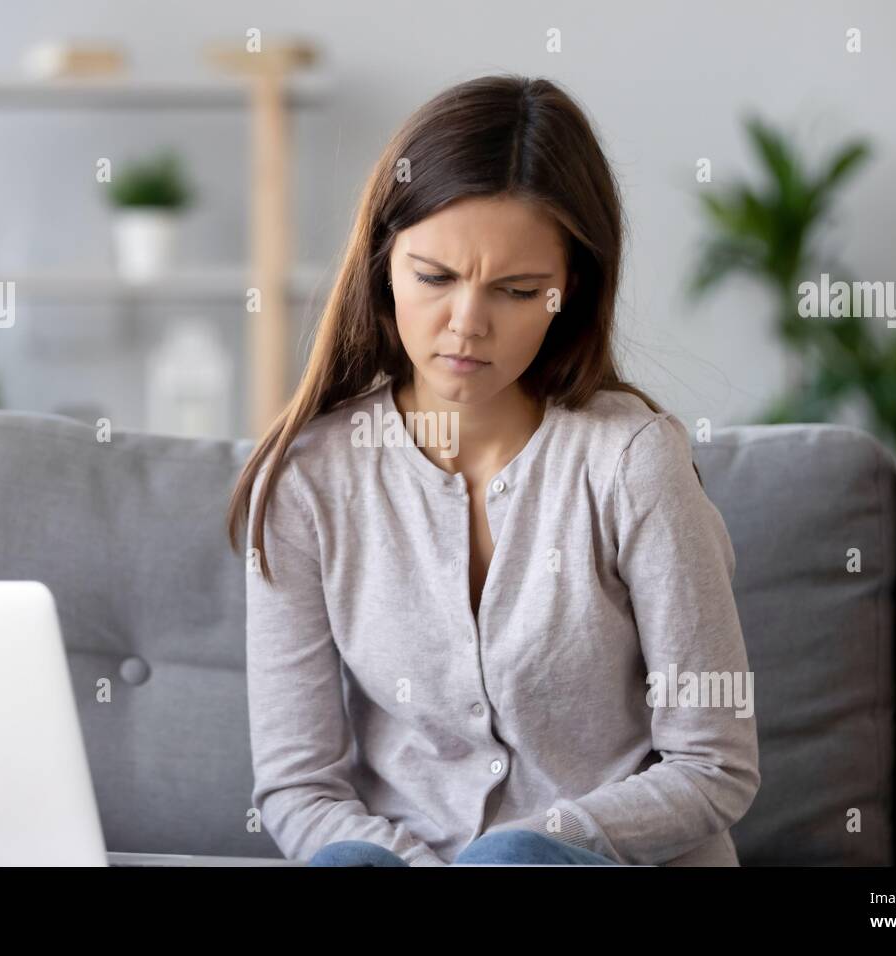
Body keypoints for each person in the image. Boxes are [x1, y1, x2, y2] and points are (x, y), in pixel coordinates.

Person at [227, 73, 760, 867]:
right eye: (434, 278)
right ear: (382, 268)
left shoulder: (632, 463)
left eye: (517, 291)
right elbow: (298, 787)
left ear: (568, 293)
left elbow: (714, 765)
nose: (466, 325)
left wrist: (537, 849)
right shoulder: (307, 480)